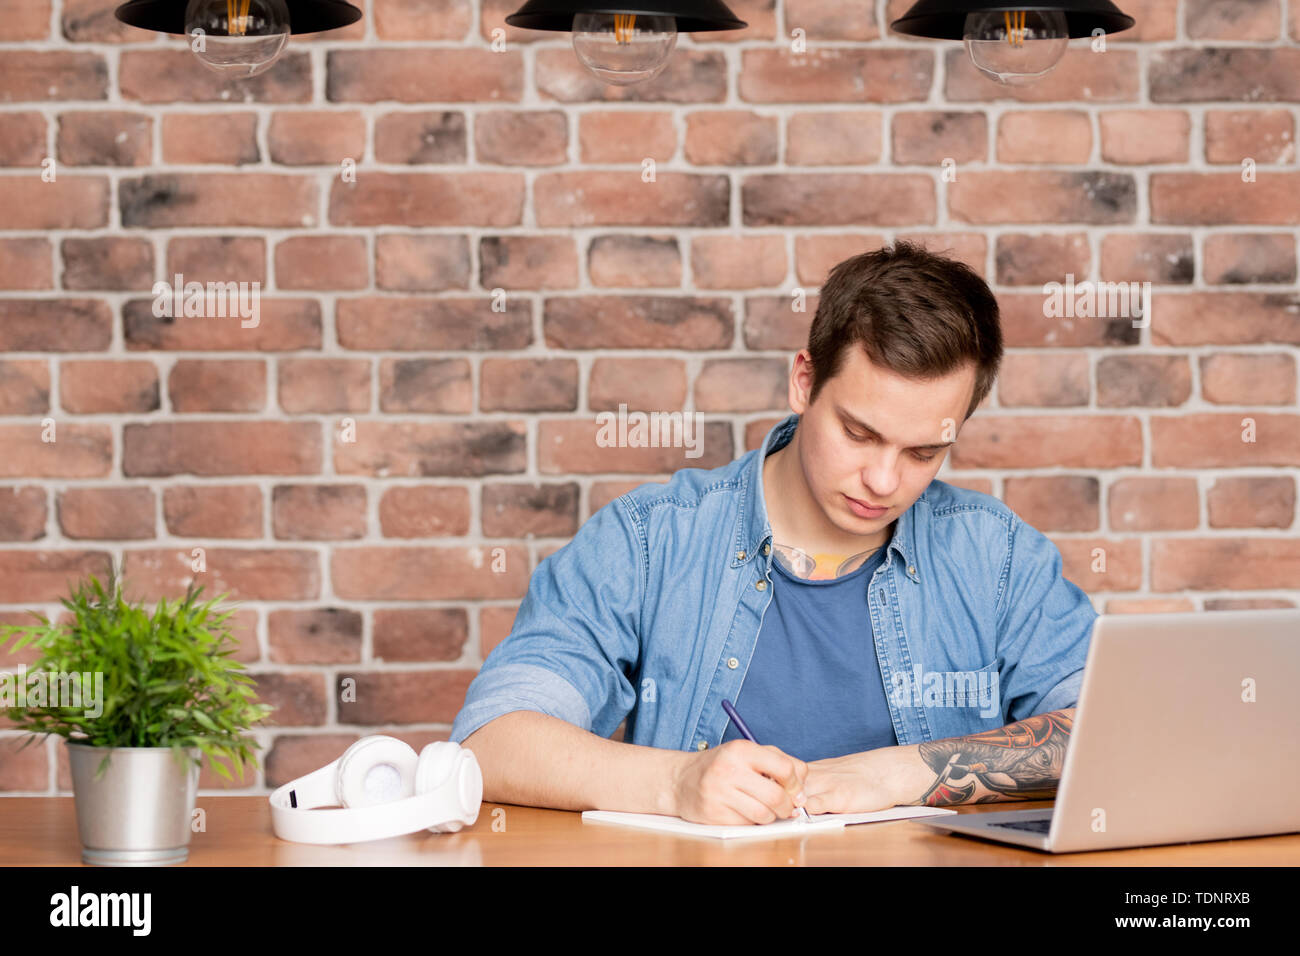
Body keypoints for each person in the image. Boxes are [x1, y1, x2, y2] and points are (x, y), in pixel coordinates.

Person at [450, 240, 1096, 825]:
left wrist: (898, 774)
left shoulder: (996, 556)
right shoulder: (651, 541)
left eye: (923, 453)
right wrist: (676, 783)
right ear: (804, 381)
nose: (882, 480)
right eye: (859, 433)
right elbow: (493, 740)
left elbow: (1117, 731)